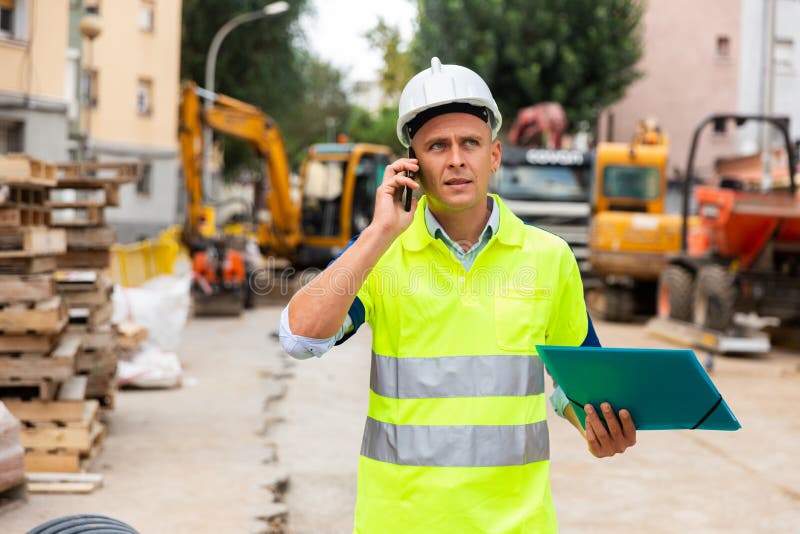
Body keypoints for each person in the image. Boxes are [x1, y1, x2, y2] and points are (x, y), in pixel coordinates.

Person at [280, 57, 637, 533]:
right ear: (413, 165)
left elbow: (578, 388)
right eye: (436, 146)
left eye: (470, 142)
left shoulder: (549, 258)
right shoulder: (382, 255)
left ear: (494, 155)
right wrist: (379, 231)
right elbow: (299, 339)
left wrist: (598, 430)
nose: (455, 159)